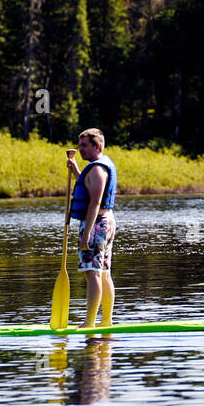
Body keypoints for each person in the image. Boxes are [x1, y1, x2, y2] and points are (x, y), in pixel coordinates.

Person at [67, 128, 117, 327]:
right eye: (80, 145)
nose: (81, 149)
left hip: (96, 224)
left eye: (85, 145)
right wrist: (77, 172)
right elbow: (90, 187)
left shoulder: (97, 169)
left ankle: (89, 322)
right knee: (103, 273)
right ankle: (106, 322)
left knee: (93, 272)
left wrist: (86, 232)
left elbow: (95, 201)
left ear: (97, 146)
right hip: (105, 222)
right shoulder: (98, 167)